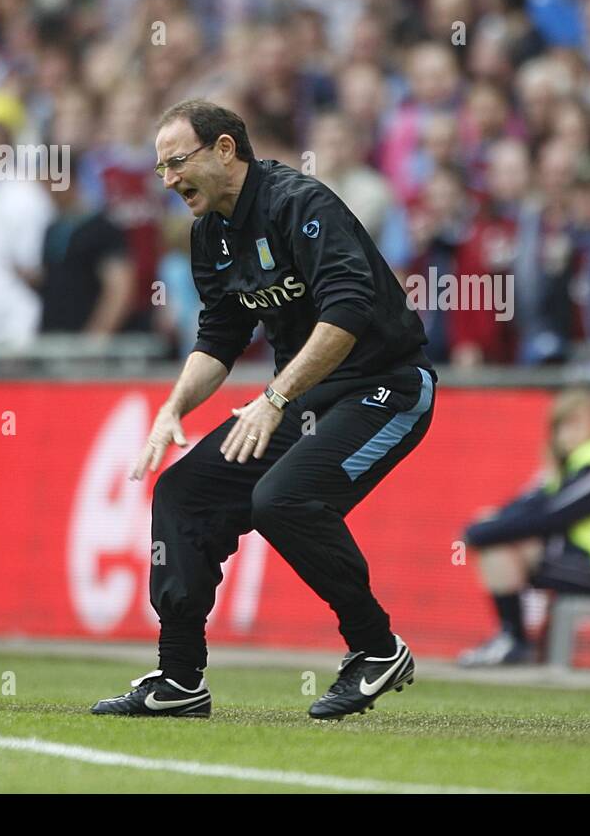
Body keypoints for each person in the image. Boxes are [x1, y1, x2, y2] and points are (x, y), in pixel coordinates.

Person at [93, 100, 437, 721]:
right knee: (184, 493)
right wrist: (173, 405)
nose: (167, 181)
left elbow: (349, 312)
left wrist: (275, 398)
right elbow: (220, 339)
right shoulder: (210, 234)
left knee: (283, 500)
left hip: (386, 387)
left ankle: (376, 647)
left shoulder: (299, 203)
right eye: (160, 169)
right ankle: (179, 680)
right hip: (304, 398)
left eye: (177, 163)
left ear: (225, 149)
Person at [456, 387, 590, 666]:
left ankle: (513, 640)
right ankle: (512, 639)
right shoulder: (575, 466)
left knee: (501, 546)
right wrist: (487, 523)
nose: (567, 433)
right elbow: (529, 505)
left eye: (575, 423)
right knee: (499, 535)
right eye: (561, 425)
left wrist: (481, 533)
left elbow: (551, 516)